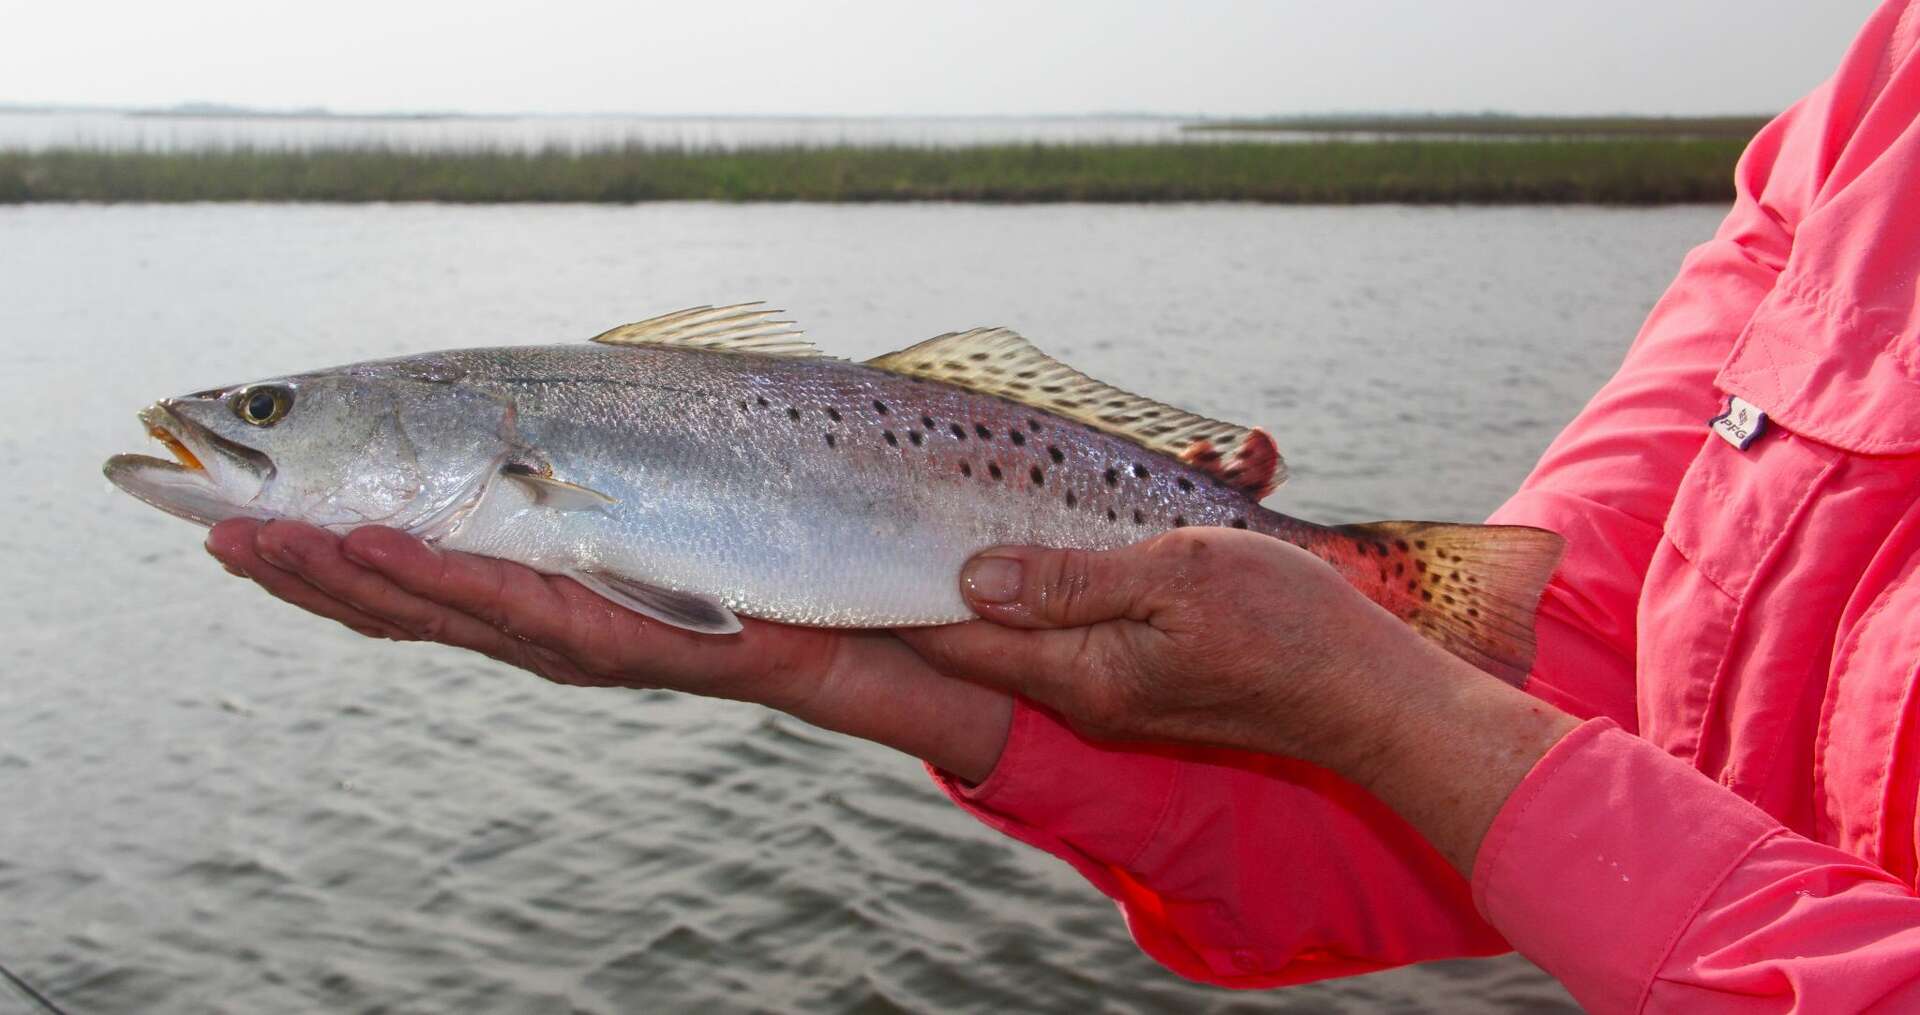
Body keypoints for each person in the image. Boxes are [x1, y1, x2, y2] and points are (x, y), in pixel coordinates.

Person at [206, 2, 1920, 1009]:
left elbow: (1483, 750)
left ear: (444, 430)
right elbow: (1553, 715)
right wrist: (867, 681)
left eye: (272, 412)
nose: (238, 428)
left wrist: (1390, 704)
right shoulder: (1858, 125)